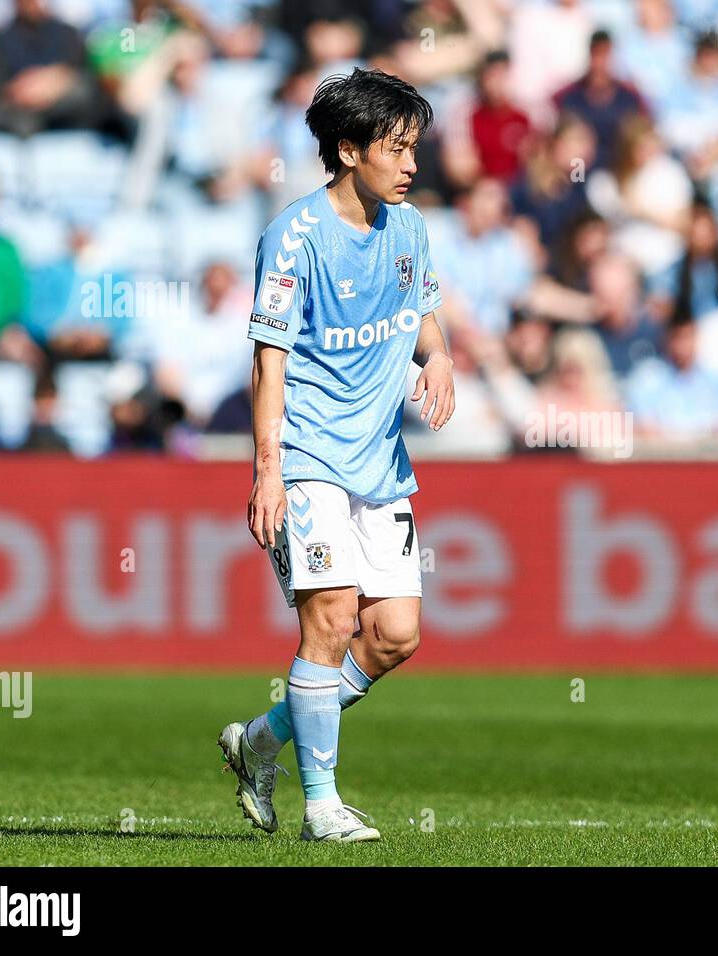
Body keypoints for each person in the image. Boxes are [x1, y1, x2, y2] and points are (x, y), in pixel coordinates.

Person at [218, 69, 455, 845]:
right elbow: (268, 359)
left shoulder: (409, 227)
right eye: (398, 148)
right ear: (348, 150)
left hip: (380, 461)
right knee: (330, 619)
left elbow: (422, 307)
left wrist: (441, 356)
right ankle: (322, 805)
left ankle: (257, 743)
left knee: (393, 634)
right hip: (309, 452)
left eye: (414, 147)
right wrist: (267, 470)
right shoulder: (293, 237)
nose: (411, 163)